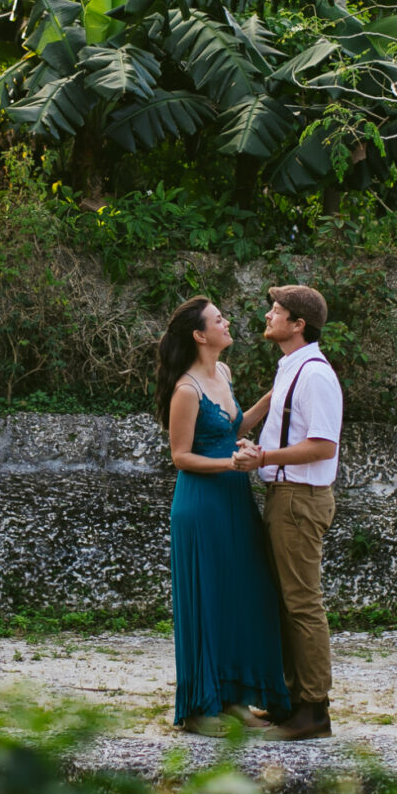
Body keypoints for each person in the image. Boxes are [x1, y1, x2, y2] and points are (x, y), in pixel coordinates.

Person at [156, 295, 292, 736]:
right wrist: (229, 465)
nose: (227, 321)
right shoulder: (186, 389)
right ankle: (201, 708)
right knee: (209, 600)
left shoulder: (224, 373)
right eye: (218, 319)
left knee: (243, 594)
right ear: (200, 335)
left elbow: (235, 428)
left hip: (235, 497)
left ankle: (232, 698)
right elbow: (181, 456)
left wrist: (279, 390)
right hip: (201, 503)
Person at [231, 284, 341, 742]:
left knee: (302, 605)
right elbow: (258, 419)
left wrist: (264, 459)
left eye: (277, 310)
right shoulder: (291, 369)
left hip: (299, 498)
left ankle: (314, 711)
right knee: (288, 603)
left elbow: (322, 444)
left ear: (298, 325)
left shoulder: (314, 374)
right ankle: (296, 701)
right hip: (286, 497)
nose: (269, 314)